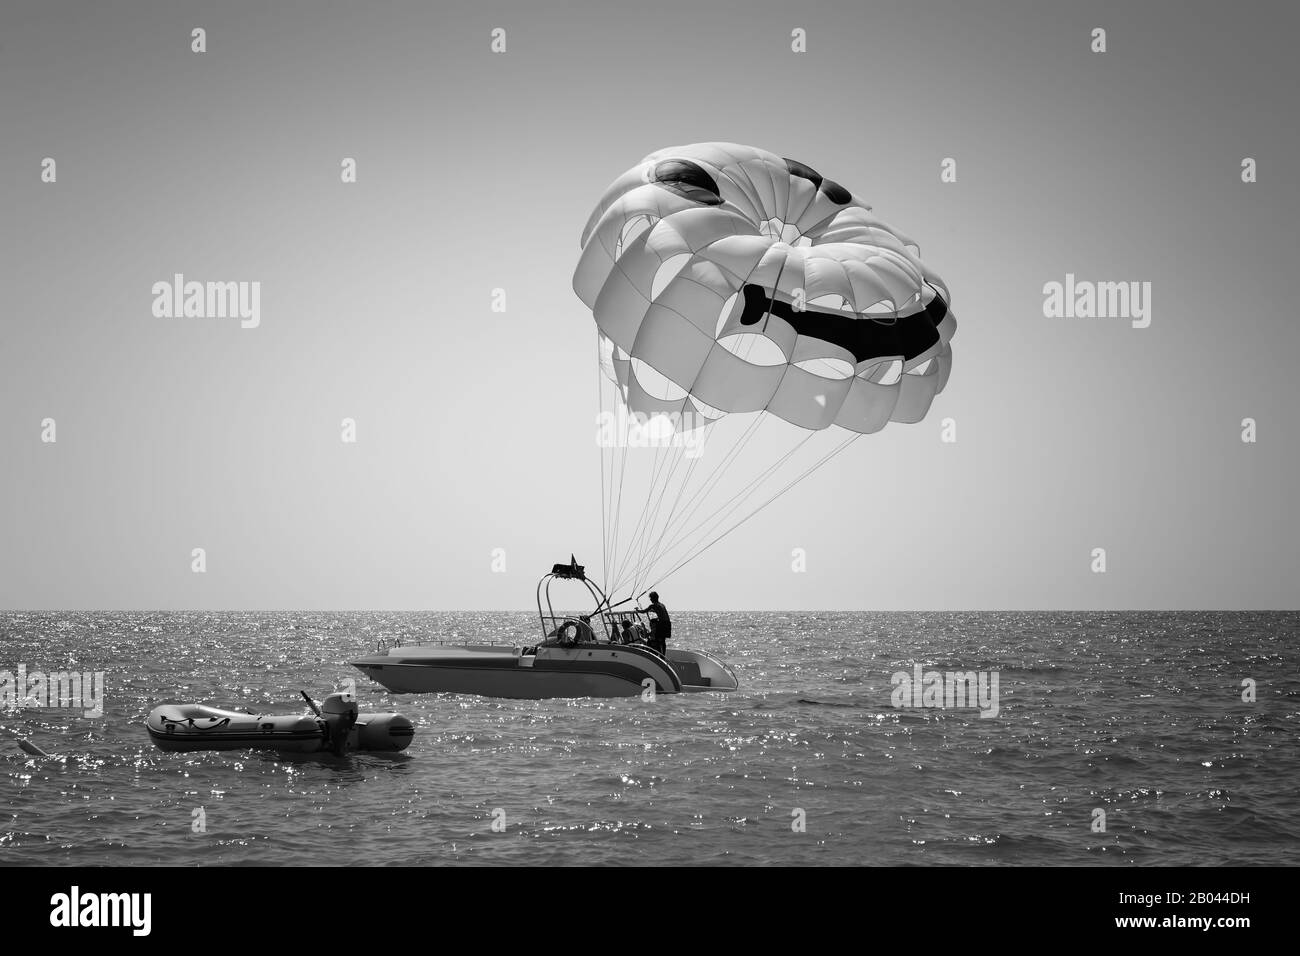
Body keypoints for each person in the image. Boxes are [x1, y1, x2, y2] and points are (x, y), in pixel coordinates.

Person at [644, 591, 671, 656]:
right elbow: (660, 612)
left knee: (657, 639)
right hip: (667, 624)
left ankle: (659, 656)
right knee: (663, 640)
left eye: (650, 598)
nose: (650, 600)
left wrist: (637, 610)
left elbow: (644, 611)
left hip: (662, 624)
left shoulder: (653, 605)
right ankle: (663, 655)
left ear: (652, 598)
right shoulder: (662, 605)